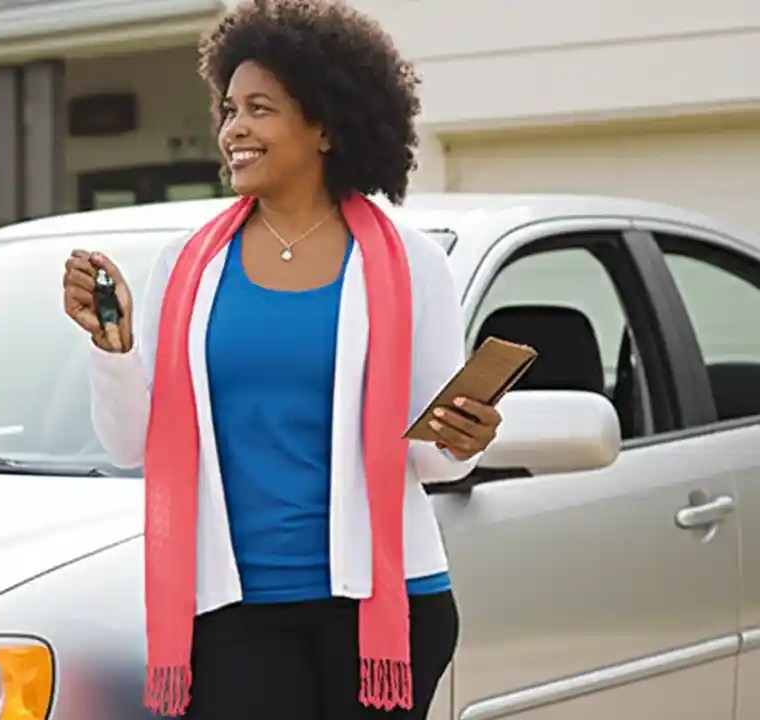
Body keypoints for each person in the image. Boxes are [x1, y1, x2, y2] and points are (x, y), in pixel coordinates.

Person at [61, 0, 503, 717]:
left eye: (259, 109)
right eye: (229, 109)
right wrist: (113, 351)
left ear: (325, 125)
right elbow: (130, 445)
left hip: (382, 608)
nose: (233, 128)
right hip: (233, 610)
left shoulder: (411, 265)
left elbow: (432, 461)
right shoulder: (188, 268)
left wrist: (465, 438)